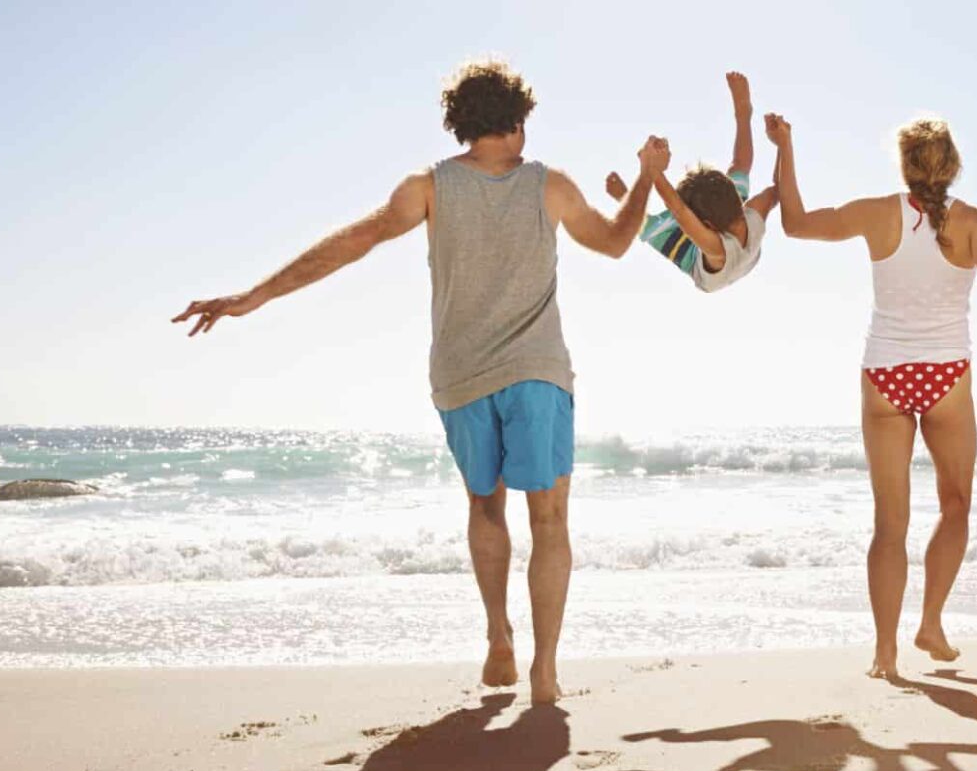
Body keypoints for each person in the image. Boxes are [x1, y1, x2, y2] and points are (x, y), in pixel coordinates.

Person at [172, 58, 666, 705]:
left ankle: (498, 638)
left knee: (484, 506)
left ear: (462, 124)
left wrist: (255, 296)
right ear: (517, 122)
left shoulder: (427, 187)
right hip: (537, 373)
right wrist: (649, 181)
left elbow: (354, 242)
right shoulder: (551, 187)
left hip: (460, 376)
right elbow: (616, 241)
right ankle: (545, 671)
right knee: (548, 519)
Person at [767, 110, 977, 680]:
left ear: (905, 165)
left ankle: (885, 653)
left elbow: (795, 224)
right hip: (946, 377)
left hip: (884, 377)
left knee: (889, 524)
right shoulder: (975, 222)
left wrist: (785, 146)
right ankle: (929, 622)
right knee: (955, 506)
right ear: (952, 166)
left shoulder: (878, 214)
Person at [608, 70, 778, 293]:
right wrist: (783, 143)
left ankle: (623, 197)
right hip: (741, 241)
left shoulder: (716, 250)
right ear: (737, 198)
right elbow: (780, 188)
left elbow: (679, 211)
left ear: (707, 225)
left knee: (649, 228)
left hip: (701, 261)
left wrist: (651, 169)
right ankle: (743, 113)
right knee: (740, 166)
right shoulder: (755, 210)